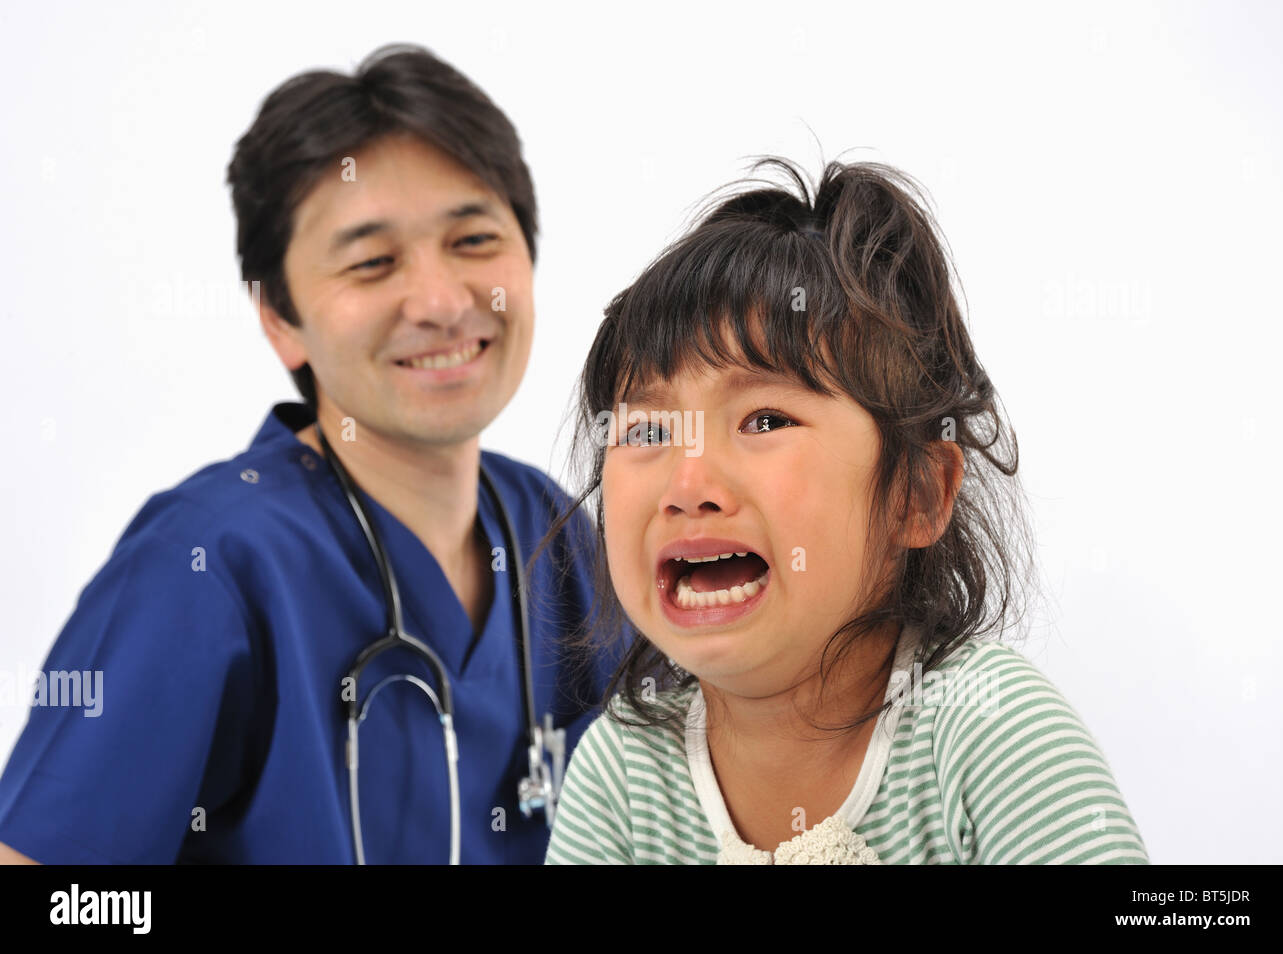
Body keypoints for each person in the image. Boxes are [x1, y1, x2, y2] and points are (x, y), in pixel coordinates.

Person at [0, 44, 620, 865]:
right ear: (280, 317)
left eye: (473, 239)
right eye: (372, 262)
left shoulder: (553, 533)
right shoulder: (204, 565)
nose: (439, 302)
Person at [541, 158, 1150, 864]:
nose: (688, 483)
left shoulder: (990, 732)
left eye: (765, 421)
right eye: (647, 431)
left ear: (916, 494)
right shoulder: (624, 771)